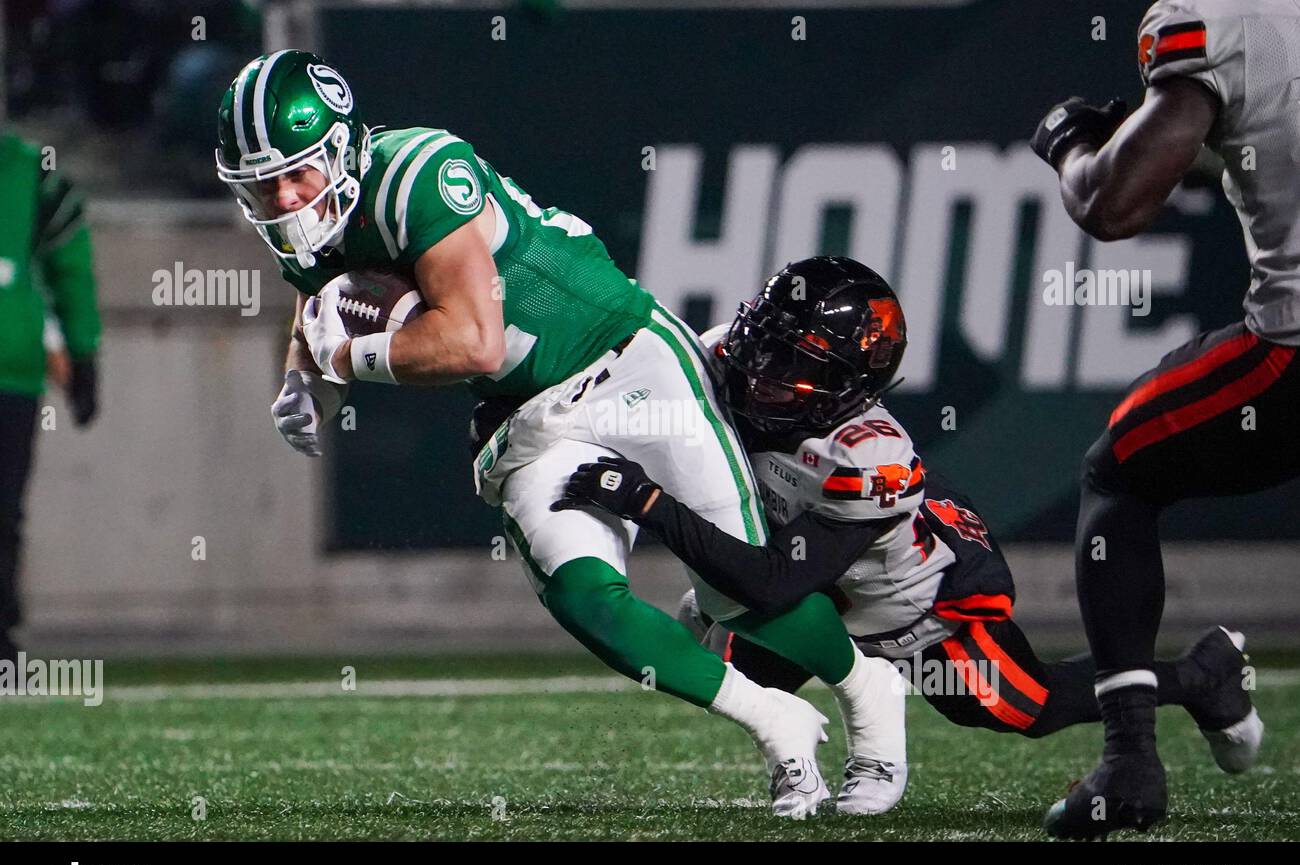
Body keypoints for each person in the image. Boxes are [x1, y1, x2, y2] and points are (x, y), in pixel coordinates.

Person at [217, 50, 898, 817]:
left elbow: (472, 340)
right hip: (531, 414)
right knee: (588, 598)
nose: (283, 201)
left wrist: (342, 357)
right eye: (258, 186)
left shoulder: (420, 174)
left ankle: (871, 697)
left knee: (738, 585)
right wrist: (300, 376)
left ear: (342, 148)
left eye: (297, 174)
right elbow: (324, 310)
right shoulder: (309, 230)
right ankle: (778, 725)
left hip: (627, 360)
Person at [554, 256, 1261, 815]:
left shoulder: (863, 457)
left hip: (912, 601)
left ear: (849, 385)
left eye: (792, 364)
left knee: (1016, 705)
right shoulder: (721, 365)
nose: (760, 372)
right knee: (730, 665)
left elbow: (774, 581)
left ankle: (1200, 677)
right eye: (761, 344)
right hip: (813, 580)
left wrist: (648, 501)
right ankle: (806, 759)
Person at [1028, 0, 1291, 837]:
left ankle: (1129, 762)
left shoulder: (1215, 17)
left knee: (1118, 472)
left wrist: (1072, 143)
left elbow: (1114, 206)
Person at [0, 130, 100, 662]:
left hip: (10, 370)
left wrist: (81, 351)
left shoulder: (28, 172)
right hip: (12, 362)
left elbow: (68, 260)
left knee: (3, 515)